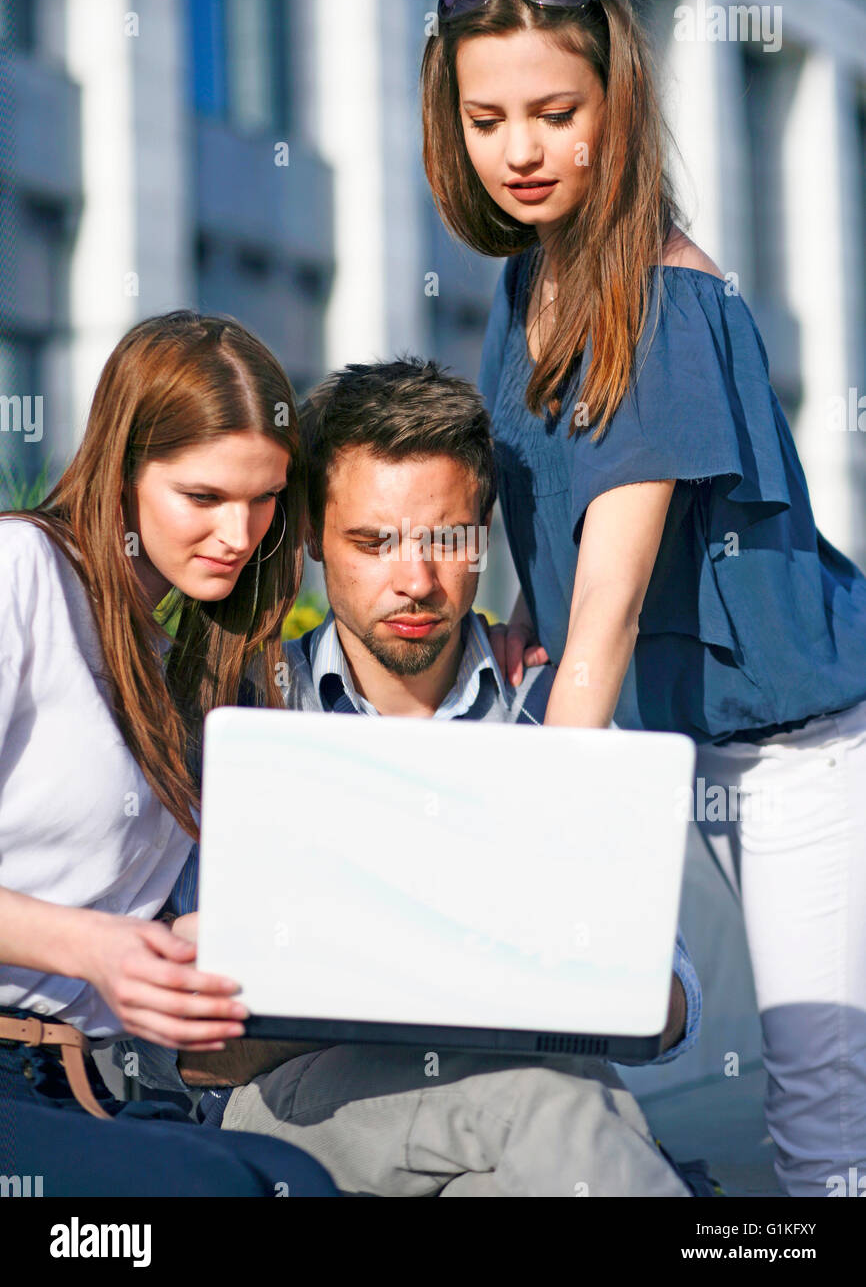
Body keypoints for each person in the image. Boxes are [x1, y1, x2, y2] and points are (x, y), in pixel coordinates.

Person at [419, 0, 866, 1198]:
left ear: (615, 112)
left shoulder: (661, 302)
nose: (519, 149)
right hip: (672, 728)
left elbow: (609, 599)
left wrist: (537, 818)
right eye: (486, 116)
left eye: (555, 115)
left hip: (795, 745)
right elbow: (545, 514)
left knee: (820, 1111)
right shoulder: (532, 276)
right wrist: (509, 624)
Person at [120, 357, 702, 1198]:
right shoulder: (240, 720)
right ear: (315, 535)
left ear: (485, 539)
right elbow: (179, 1051)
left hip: (494, 1134)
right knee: (553, 1102)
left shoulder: (554, 711)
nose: (416, 581)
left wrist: (596, 982)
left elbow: (670, 1001)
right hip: (293, 1113)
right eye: (373, 542)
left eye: (447, 540)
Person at [0, 310, 336, 1197]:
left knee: (295, 1181)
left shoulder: (176, 660)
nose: (241, 533)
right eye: (204, 497)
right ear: (123, 473)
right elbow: (91, 936)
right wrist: (91, 949)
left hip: (87, 1085)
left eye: (265, 497)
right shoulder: (20, 574)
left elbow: (124, 919)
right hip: (22, 1078)